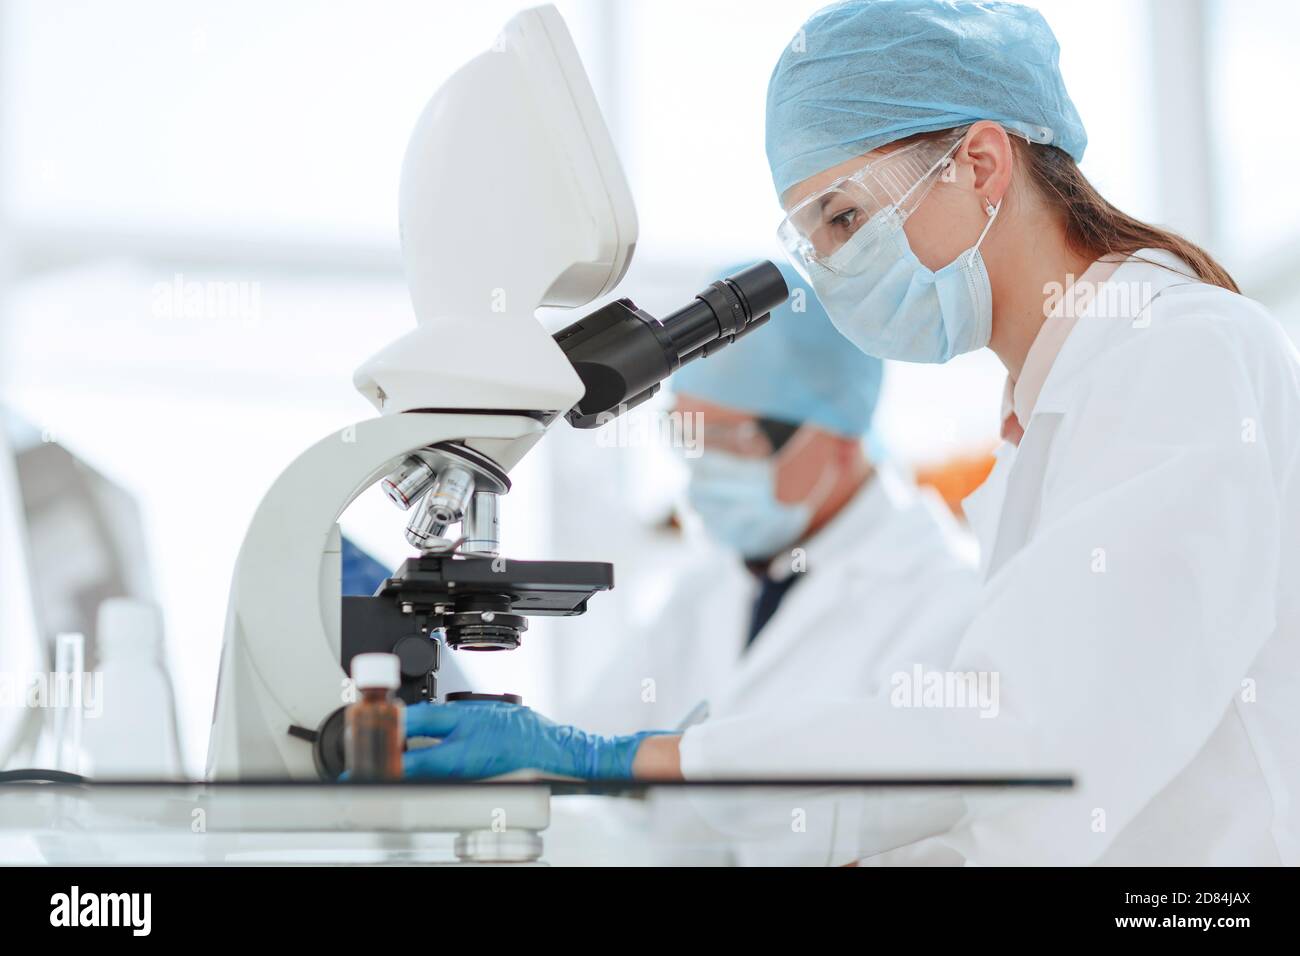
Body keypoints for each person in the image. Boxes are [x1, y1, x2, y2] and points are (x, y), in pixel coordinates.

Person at [400, 0, 1300, 866]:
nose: (831, 269)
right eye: (813, 236)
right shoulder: (1060, 397)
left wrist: (625, 759)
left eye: (844, 217)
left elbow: (1017, 728)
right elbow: (1025, 788)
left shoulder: (1180, 355)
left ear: (982, 164)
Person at [563, 263, 978, 753]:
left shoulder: (949, 598)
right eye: (689, 436)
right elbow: (590, 748)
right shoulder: (708, 587)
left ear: (841, 440)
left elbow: (877, 800)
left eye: (732, 441)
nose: (704, 468)